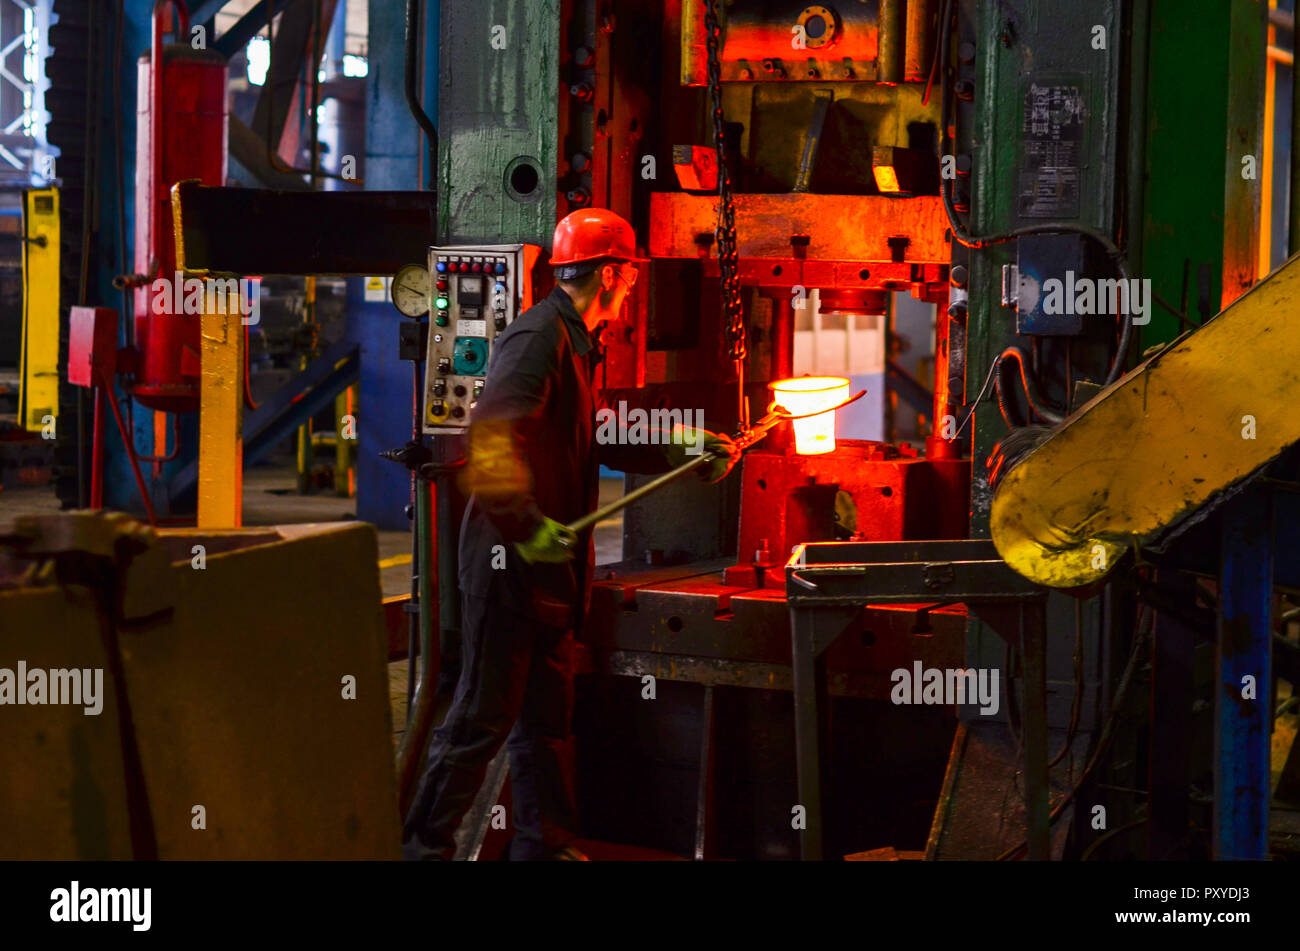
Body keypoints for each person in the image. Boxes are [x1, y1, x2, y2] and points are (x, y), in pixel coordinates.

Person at [402, 208, 740, 860]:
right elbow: (491, 442)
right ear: (611, 273)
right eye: (631, 274)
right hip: (508, 565)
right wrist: (527, 530)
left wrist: (677, 445)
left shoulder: (576, 340)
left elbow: (598, 429)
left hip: (548, 572)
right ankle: (421, 848)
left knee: (545, 722)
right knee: (481, 718)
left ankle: (544, 842)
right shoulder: (538, 339)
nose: (635, 287)